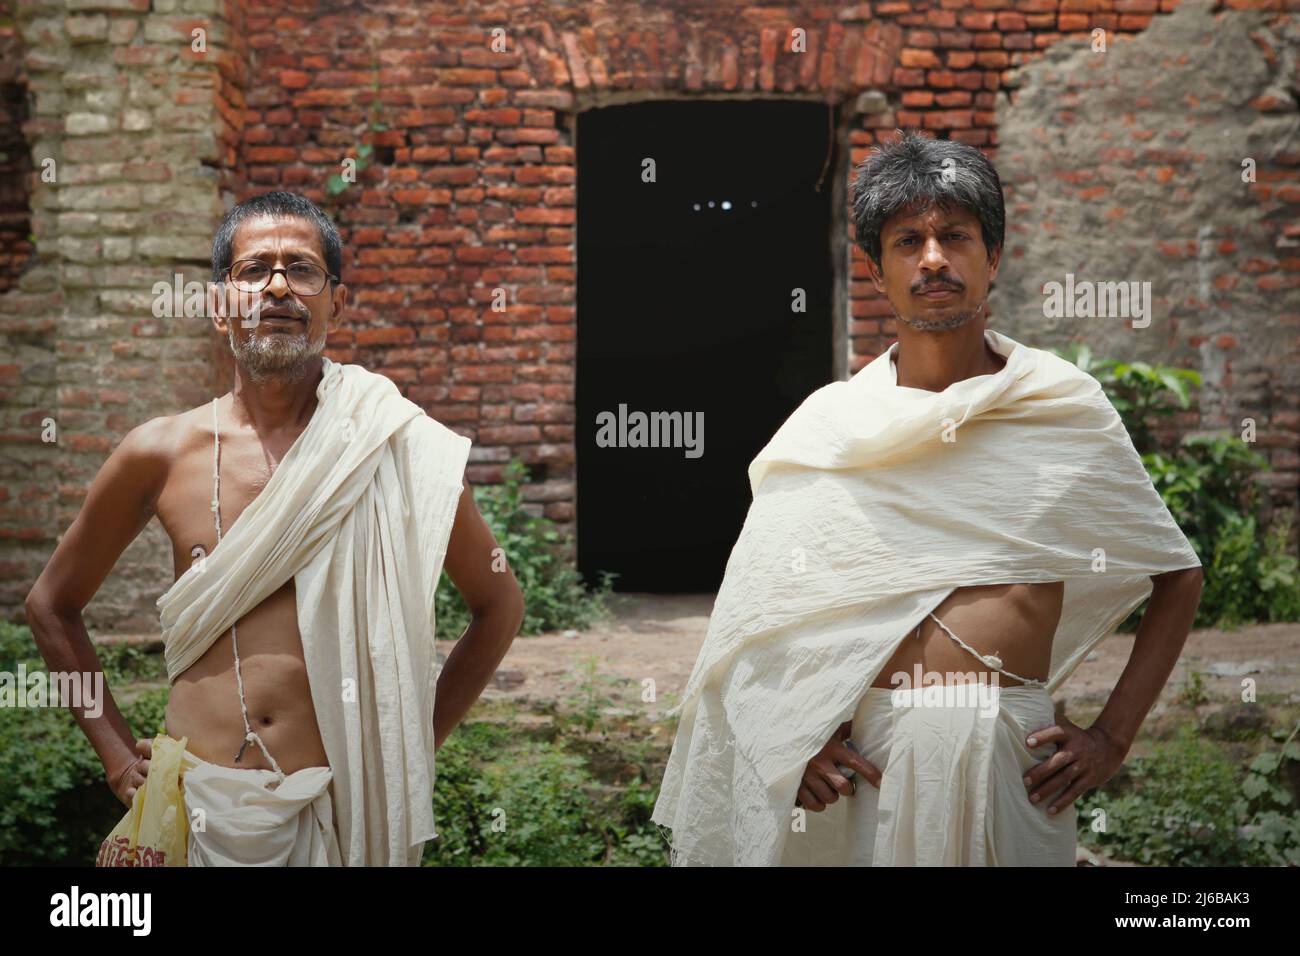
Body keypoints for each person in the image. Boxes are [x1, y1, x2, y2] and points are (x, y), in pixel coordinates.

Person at [651, 130, 1204, 867]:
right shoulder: (832, 427)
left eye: (956, 236)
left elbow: (1177, 574)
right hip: (862, 762)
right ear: (878, 270)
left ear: (994, 256)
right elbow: (755, 619)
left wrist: (1112, 737)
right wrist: (788, 734)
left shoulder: (1059, 405)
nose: (933, 258)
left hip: (1013, 750)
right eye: (908, 240)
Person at [25, 191, 525, 866]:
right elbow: (51, 605)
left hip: (340, 813)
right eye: (254, 270)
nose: (278, 286)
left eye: (303, 269)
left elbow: (498, 606)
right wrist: (116, 757)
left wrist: (405, 747)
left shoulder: (394, 444)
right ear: (218, 302)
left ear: (337, 303)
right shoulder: (160, 451)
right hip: (190, 809)